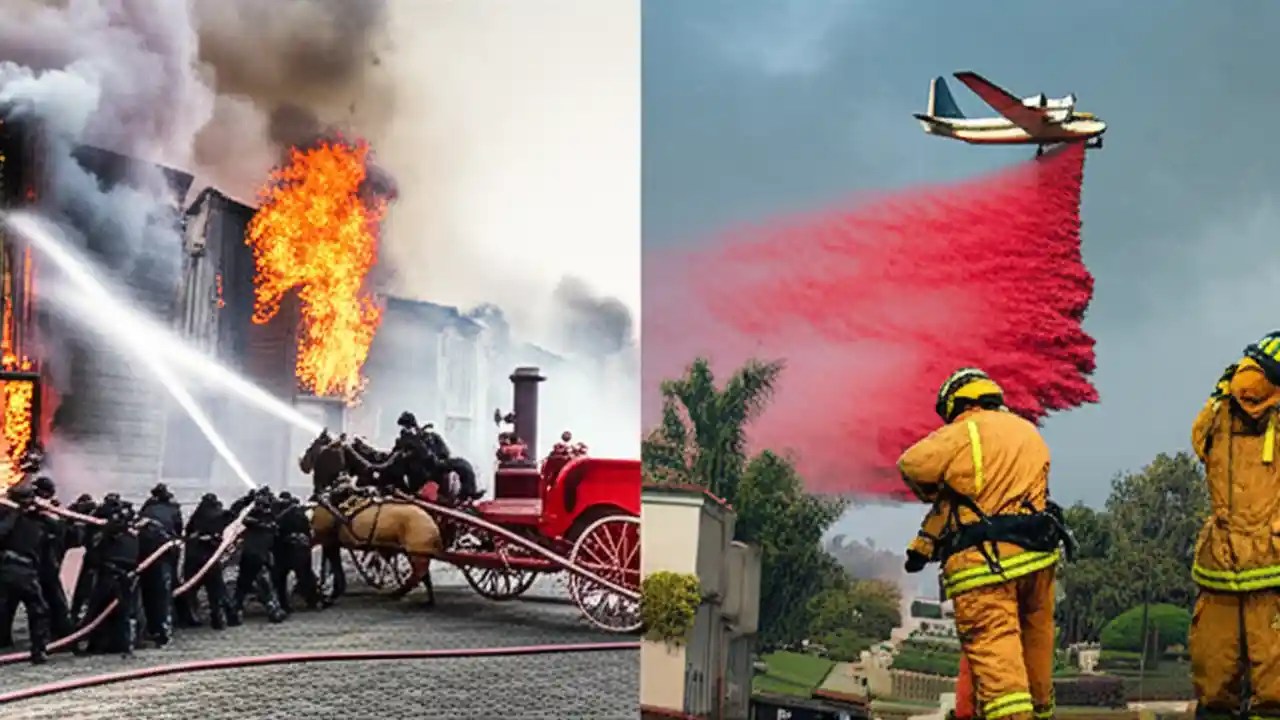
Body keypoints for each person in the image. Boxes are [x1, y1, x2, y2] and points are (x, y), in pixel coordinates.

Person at [898, 368, 1071, 720]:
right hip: (1038, 563)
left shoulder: (966, 431)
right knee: (1035, 659)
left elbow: (912, 464)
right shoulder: (1027, 430)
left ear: (958, 404)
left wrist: (935, 488)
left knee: (1000, 669)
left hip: (986, 568)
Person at [1189, 333, 1280, 718]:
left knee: (1214, 671)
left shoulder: (1218, 407)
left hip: (1221, 559)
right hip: (1272, 557)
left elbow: (1198, 444)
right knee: (1273, 680)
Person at [78, 502, 140, 657]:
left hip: (111, 578)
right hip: (122, 577)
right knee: (120, 612)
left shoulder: (107, 538)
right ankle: (121, 644)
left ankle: (101, 644)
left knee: (100, 611)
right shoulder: (131, 538)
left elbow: (93, 557)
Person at [0, 484, 50, 664]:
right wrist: (15, 514)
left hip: (26, 569)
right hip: (11, 566)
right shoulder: (7, 515)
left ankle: (39, 650)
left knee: (38, 610)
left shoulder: (36, 518)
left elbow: (58, 529)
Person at [230, 489, 286, 623]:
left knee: (242, 586)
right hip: (261, 558)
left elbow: (234, 512)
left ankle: (235, 612)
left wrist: (247, 499)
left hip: (249, 556)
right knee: (266, 586)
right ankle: (274, 611)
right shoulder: (271, 520)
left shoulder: (250, 521)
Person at [181, 493, 236, 629]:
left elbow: (187, 532)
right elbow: (232, 518)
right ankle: (218, 620)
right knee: (215, 591)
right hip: (210, 559)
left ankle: (191, 618)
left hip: (193, 559)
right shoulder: (219, 515)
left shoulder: (197, 516)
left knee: (191, 590)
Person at [137, 483, 182, 647]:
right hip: (164, 557)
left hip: (143, 558)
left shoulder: (145, 510)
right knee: (163, 596)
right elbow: (179, 530)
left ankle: (148, 629)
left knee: (147, 595)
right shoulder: (172, 510)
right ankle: (163, 632)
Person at [31, 476, 72, 640]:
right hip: (35, 562)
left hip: (46, 563)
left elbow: (61, 531)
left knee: (51, 599)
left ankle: (61, 633)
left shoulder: (52, 513)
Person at [272, 492, 322, 614]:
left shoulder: (278, 515)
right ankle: (313, 600)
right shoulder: (300, 514)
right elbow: (308, 532)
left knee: (280, 579)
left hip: (284, 551)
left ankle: (284, 604)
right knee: (305, 576)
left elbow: (276, 534)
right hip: (301, 550)